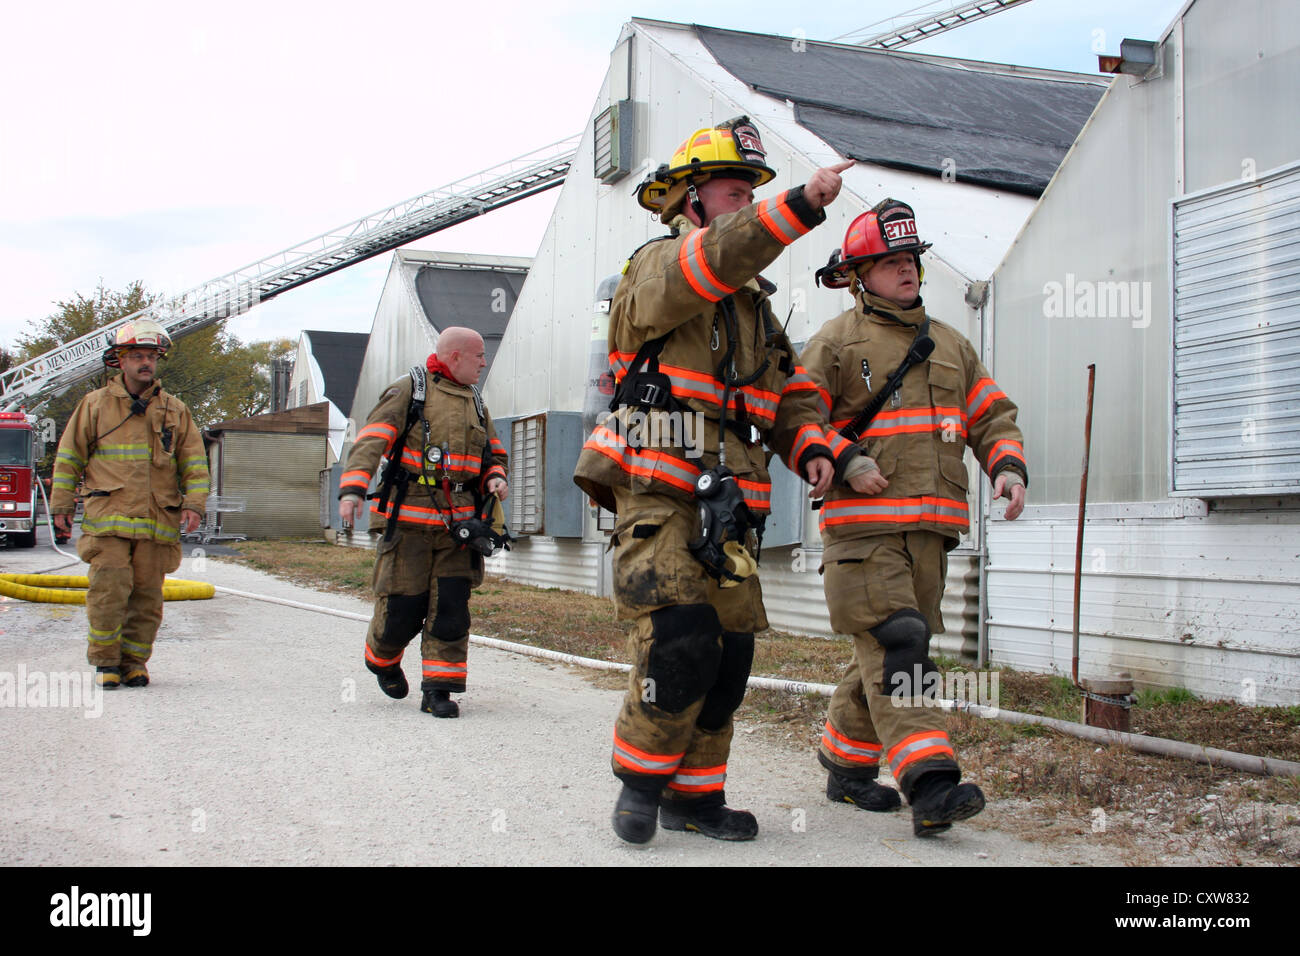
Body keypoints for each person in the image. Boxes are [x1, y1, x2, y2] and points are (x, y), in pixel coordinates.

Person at [574, 116, 857, 844]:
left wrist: (817, 449)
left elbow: (789, 394)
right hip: (661, 493)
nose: (748, 206)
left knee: (729, 661)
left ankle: (695, 799)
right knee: (681, 640)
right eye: (735, 192)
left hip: (732, 511)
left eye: (753, 194)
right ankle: (640, 785)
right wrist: (800, 204)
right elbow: (718, 258)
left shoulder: (756, 312)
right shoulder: (660, 270)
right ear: (690, 201)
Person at [801, 198, 1028, 836]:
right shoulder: (836, 341)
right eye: (890, 262)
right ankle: (930, 784)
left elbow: (991, 415)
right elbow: (797, 417)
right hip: (862, 531)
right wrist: (843, 459)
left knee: (885, 648)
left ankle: (845, 765)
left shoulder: (953, 345)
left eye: (910, 261)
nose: (906, 271)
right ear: (857, 274)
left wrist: (1007, 467)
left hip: (931, 533)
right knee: (901, 649)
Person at [339, 327, 508, 719]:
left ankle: (439, 690)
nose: (484, 363)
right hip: (409, 526)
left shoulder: (477, 402)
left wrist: (495, 476)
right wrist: (351, 491)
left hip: (459, 530)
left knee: (451, 610)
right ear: (455, 357)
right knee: (402, 609)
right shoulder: (409, 390)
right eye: (479, 355)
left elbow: (492, 454)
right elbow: (371, 441)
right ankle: (381, 658)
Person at [51, 319, 208, 689]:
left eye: (151, 356)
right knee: (109, 591)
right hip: (108, 520)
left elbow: (195, 463)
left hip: (157, 520)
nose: (145, 363)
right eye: (136, 355)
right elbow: (69, 457)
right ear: (119, 361)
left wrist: (195, 503)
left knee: (148, 597)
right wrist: (61, 505)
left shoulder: (175, 411)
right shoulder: (94, 406)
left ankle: (135, 662)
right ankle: (106, 663)